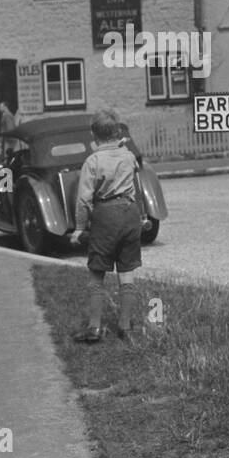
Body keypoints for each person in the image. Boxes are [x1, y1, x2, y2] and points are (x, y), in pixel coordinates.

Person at [68, 109, 143, 343]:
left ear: (93, 135)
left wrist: (80, 228)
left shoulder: (93, 161)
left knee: (96, 272)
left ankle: (94, 328)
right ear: (118, 132)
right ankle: (125, 326)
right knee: (127, 271)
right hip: (131, 214)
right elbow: (136, 178)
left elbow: (83, 199)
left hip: (106, 214)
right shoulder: (128, 156)